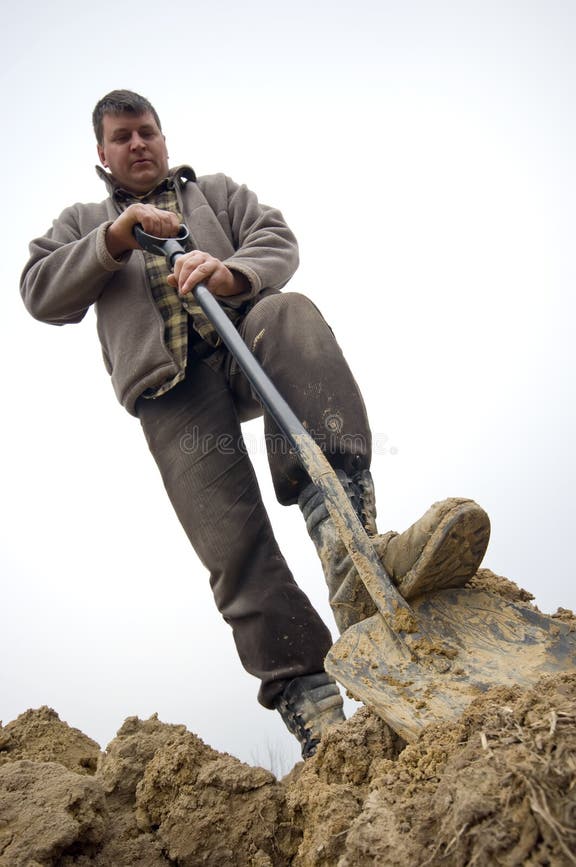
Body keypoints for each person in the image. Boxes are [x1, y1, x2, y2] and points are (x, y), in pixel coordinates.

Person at [20, 90, 490, 759]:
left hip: (246, 337)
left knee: (289, 311)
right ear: (102, 153)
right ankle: (314, 705)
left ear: (163, 137)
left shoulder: (215, 193)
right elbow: (40, 287)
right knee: (233, 545)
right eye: (122, 137)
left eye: (147, 131)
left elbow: (276, 240)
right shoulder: (84, 221)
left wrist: (233, 273)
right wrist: (113, 240)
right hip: (170, 391)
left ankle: (346, 543)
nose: (138, 144)